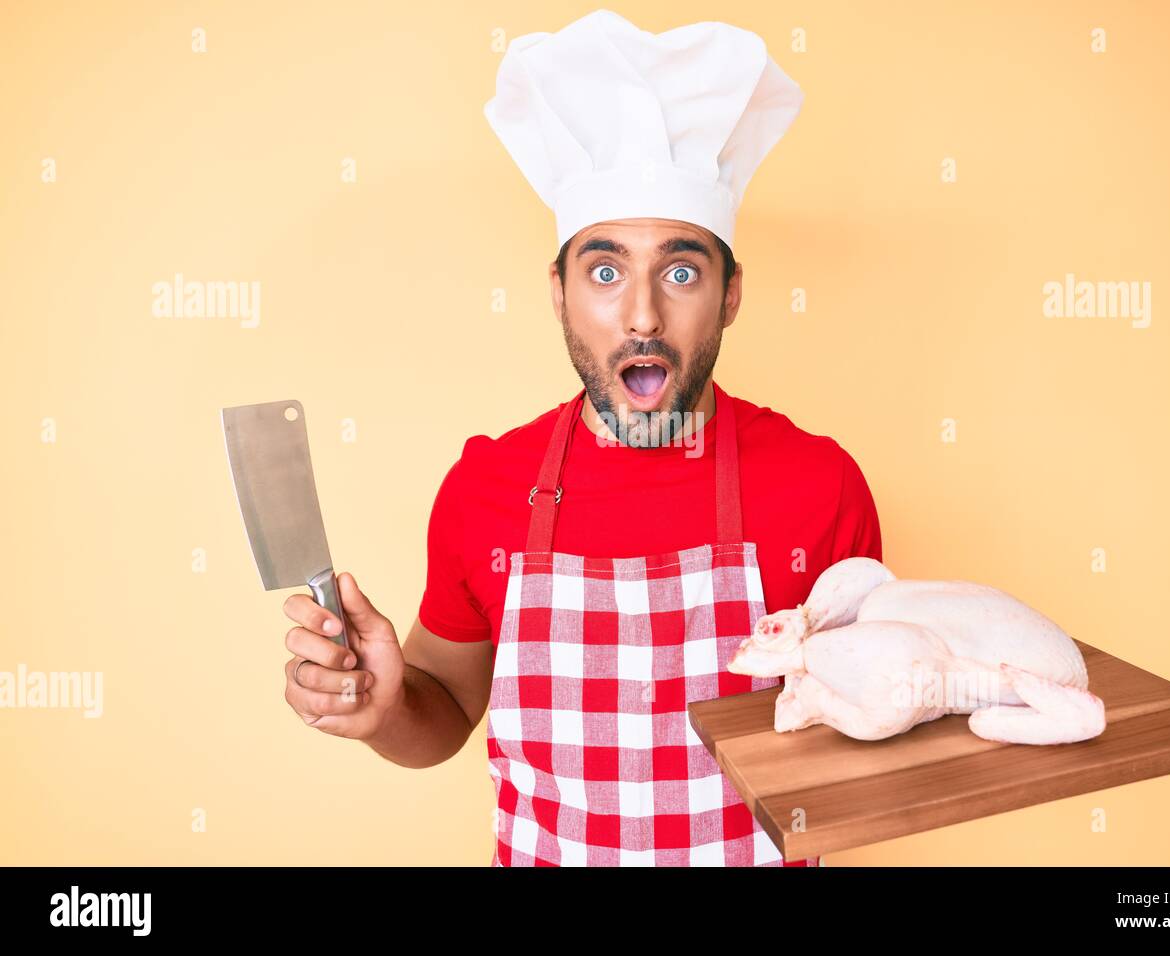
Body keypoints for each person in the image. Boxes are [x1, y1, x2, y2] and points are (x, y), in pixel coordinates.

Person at [281, 8, 883, 867]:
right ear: (560, 294)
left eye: (681, 271)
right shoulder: (485, 487)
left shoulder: (820, 484)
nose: (642, 315)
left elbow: (871, 730)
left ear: (733, 294)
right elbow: (442, 715)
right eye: (605, 271)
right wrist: (383, 709)